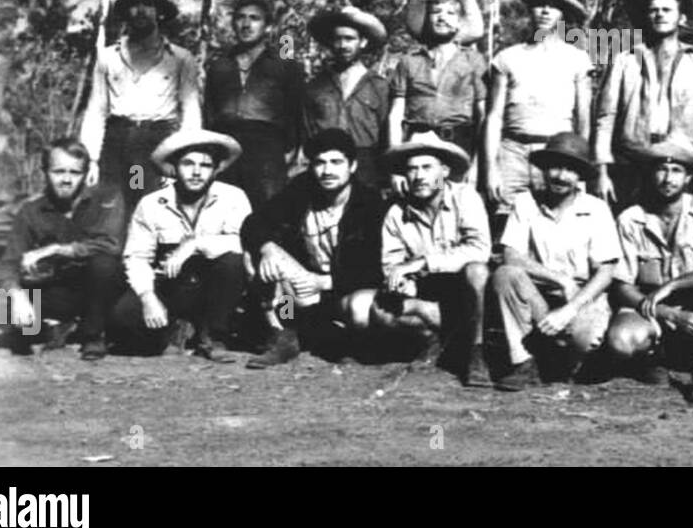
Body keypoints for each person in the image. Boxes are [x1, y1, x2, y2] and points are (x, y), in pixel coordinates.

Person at [603, 134, 693, 407]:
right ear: (650, 173)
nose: (668, 178)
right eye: (661, 169)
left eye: (677, 170)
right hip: (649, 308)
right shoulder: (631, 218)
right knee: (621, 341)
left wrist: (673, 285)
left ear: (689, 177)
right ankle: (652, 360)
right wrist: (668, 313)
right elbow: (621, 286)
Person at [242, 128, 388, 368]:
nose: (327, 170)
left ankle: (346, 342)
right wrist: (267, 248)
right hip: (300, 288)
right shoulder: (302, 190)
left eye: (336, 162)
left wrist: (324, 282)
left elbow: (375, 267)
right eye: (320, 163)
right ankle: (285, 333)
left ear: (352, 166)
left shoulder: (369, 204)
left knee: (359, 312)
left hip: (343, 288)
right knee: (259, 258)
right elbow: (255, 222)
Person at [489, 132, 621, 392]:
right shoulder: (526, 202)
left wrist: (571, 308)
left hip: (582, 297)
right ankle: (523, 361)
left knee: (583, 341)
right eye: (554, 167)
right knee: (505, 274)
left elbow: (605, 272)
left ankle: (563, 361)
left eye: (570, 169)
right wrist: (559, 279)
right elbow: (511, 255)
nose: (560, 176)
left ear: (580, 176)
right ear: (543, 169)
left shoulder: (596, 209)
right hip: (539, 294)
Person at [111, 131, 249, 362]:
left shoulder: (233, 197)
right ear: (174, 168)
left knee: (233, 261)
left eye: (205, 165)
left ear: (216, 170)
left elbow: (244, 242)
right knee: (123, 319)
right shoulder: (151, 203)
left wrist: (195, 244)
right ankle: (175, 329)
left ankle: (213, 335)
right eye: (188, 163)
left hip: (214, 287)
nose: (196, 172)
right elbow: (137, 257)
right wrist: (147, 298)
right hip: (172, 285)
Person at [375, 132, 492, 387]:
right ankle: (436, 340)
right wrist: (402, 282)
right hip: (429, 297)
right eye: (412, 169)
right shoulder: (396, 212)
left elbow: (479, 249)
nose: (419, 176)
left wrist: (424, 262)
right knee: (378, 311)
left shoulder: (465, 197)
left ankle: (477, 352)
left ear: (445, 171)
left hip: (468, 294)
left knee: (478, 271)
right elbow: (391, 264)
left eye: (427, 167)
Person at [593, 0, 693, 207]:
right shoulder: (625, 59)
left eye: (667, 9)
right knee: (627, 230)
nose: (659, 14)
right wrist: (601, 172)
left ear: (682, 18)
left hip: (680, 166)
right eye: (654, 10)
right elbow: (605, 118)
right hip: (630, 164)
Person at [78, 0, 201, 217]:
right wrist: (91, 158)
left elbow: (191, 111)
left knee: (148, 209)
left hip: (157, 141)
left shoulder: (181, 59)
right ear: (126, 13)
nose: (141, 11)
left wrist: (180, 159)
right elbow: (96, 108)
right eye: (134, 5)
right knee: (109, 210)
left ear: (159, 12)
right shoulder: (108, 57)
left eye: (148, 4)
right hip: (116, 140)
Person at [0, 137, 126, 359]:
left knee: (105, 265)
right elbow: (9, 262)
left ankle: (92, 335)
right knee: (6, 312)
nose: (66, 180)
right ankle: (63, 324)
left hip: (101, 289)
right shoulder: (31, 211)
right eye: (58, 172)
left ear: (85, 175)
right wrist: (16, 294)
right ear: (45, 172)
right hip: (58, 290)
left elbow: (111, 245)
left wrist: (57, 249)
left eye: (75, 173)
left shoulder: (108, 198)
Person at [483, 0, 593, 226]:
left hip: (559, 156)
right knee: (505, 224)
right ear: (530, 8)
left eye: (553, 6)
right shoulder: (507, 58)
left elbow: (583, 119)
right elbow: (493, 117)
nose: (545, 11)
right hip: (512, 153)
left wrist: (581, 169)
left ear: (563, 14)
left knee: (556, 225)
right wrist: (491, 169)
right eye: (539, 4)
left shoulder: (577, 59)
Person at [388, 0, 487, 190]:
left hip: (459, 145)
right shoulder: (408, 62)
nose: (442, 18)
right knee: (418, 202)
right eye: (436, 12)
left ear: (459, 22)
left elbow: (483, 117)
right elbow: (396, 115)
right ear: (427, 18)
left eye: (451, 13)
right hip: (417, 147)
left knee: (453, 205)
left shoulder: (474, 62)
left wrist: (478, 166)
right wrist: (395, 167)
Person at [204, 0, 304, 209]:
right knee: (224, 215)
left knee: (268, 216)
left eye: (254, 18)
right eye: (241, 17)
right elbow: (209, 113)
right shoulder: (219, 65)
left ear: (268, 27)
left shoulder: (285, 64)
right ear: (233, 23)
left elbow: (296, 113)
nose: (246, 24)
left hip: (267, 149)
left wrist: (293, 155)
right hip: (225, 148)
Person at [303, 5, 391, 190]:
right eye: (337, 39)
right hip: (325, 165)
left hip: (367, 166)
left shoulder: (380, 86)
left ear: (363, 42)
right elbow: (306, 130)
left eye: (349, 39)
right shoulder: (315, 87)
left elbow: (387, 136)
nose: (343, 45)